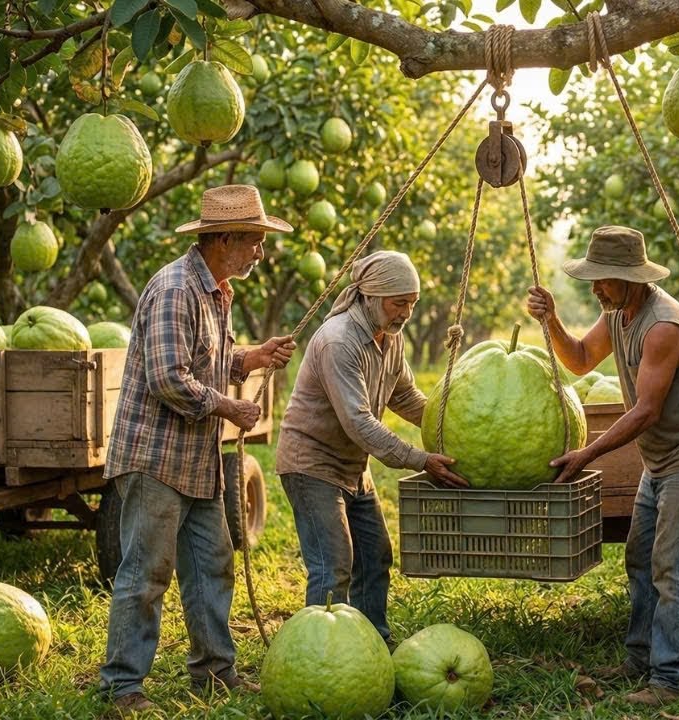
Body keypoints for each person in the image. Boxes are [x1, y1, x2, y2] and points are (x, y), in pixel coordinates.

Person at [99, 184, 298, 713]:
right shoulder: (174, 289)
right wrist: (229, 409)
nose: (260, 251)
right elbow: (169, 378)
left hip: (196, 463)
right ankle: (122, 686)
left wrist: (254, 357)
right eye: (255, 241)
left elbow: (214, 357)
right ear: (226, 239)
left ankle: (214, 671)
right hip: (156, 460)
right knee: (146, 575)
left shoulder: (216, 292)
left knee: (214, 563)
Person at [526, 225, 679, 707]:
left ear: (630, 277)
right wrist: (552, 320)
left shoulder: (663, 325)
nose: (595, 287)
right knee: (640, 559)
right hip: (661, 461)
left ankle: (671, 679)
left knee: (674, 571)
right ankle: (640, 659)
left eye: (602, 279)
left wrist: (587, 453)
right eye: (592, 278)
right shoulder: (621, 313)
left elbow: (645, 411)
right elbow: (579, 360)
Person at [276, 250, 467, 645]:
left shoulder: (389, 339)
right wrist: (420, 459)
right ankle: (323, 653)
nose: (406, 314)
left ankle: (371, 644)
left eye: (412, 304)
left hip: (353, 468)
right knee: (333, 565)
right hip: (311, 463)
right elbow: (359, 422)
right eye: (399, 303)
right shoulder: (338, 341)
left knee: (375, 556)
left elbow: (406, 397)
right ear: (371, 295)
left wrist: (457, 423)